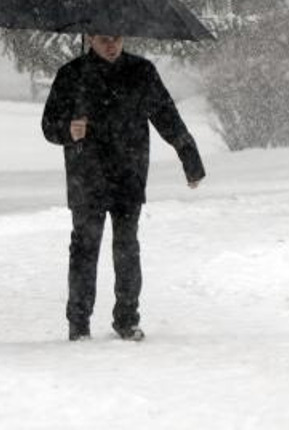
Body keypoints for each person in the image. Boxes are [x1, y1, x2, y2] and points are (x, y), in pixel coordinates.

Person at [41, 34, 206, 342]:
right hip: (86, 175)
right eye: (103, 39)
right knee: (84, 249)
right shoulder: (71, 74)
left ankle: (127, 319)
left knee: (127, 247)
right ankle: (79, 324)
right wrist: (69, 130)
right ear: (89, 38)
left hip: (128, 172)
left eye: (116, 38)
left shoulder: (141, 72)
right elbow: (48, 125)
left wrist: (189, 157)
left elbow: (167, 116)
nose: (111, 45)